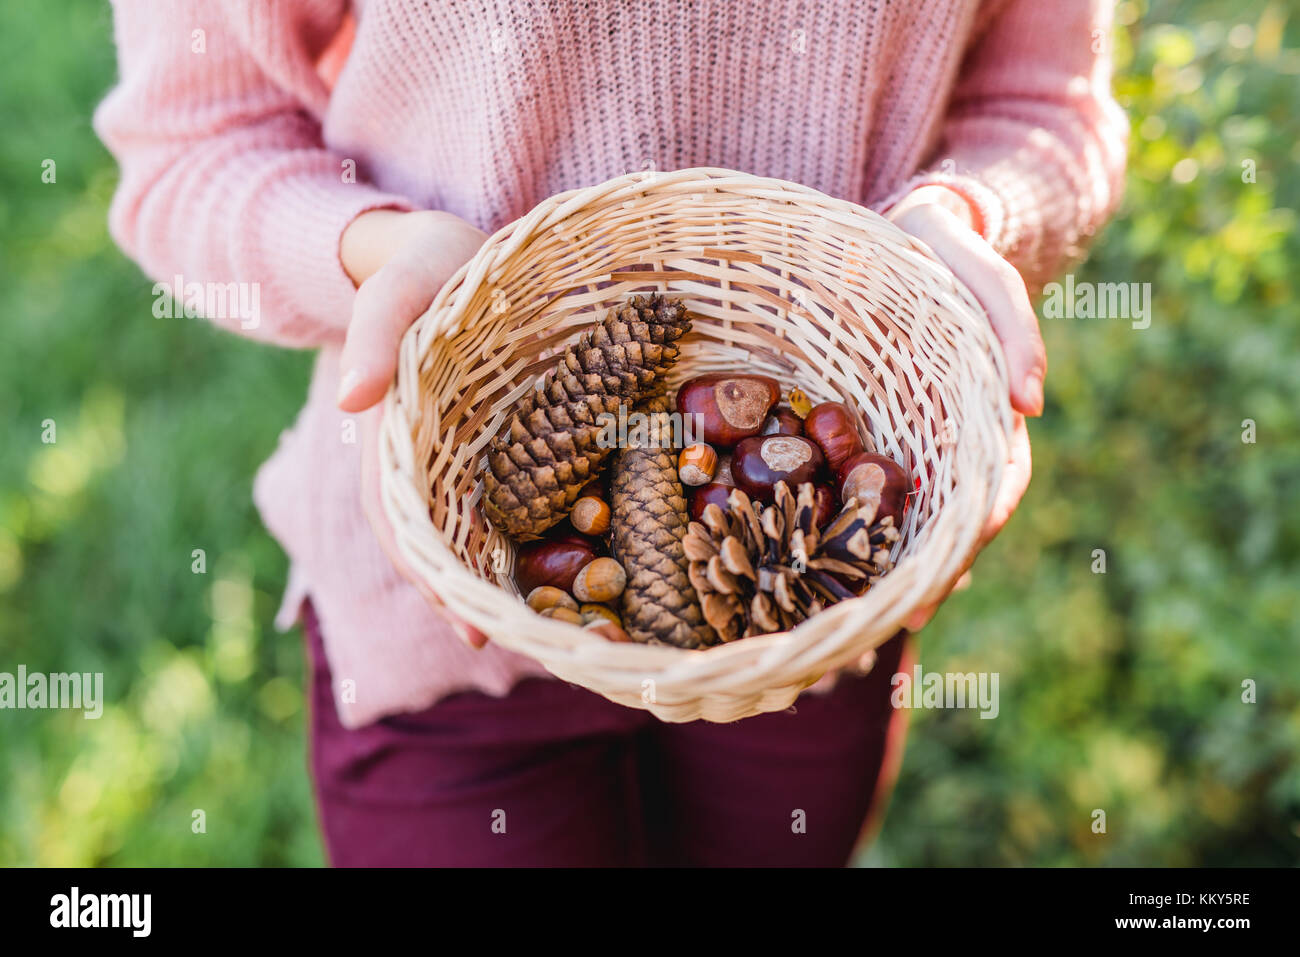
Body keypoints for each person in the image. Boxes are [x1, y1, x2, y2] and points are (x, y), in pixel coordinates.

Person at [96, 0, 1127, 866]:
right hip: (441, 611)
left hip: (803, 613)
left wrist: (960, 222)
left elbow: (1046, 108)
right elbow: (195, 147)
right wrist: (380, 251)